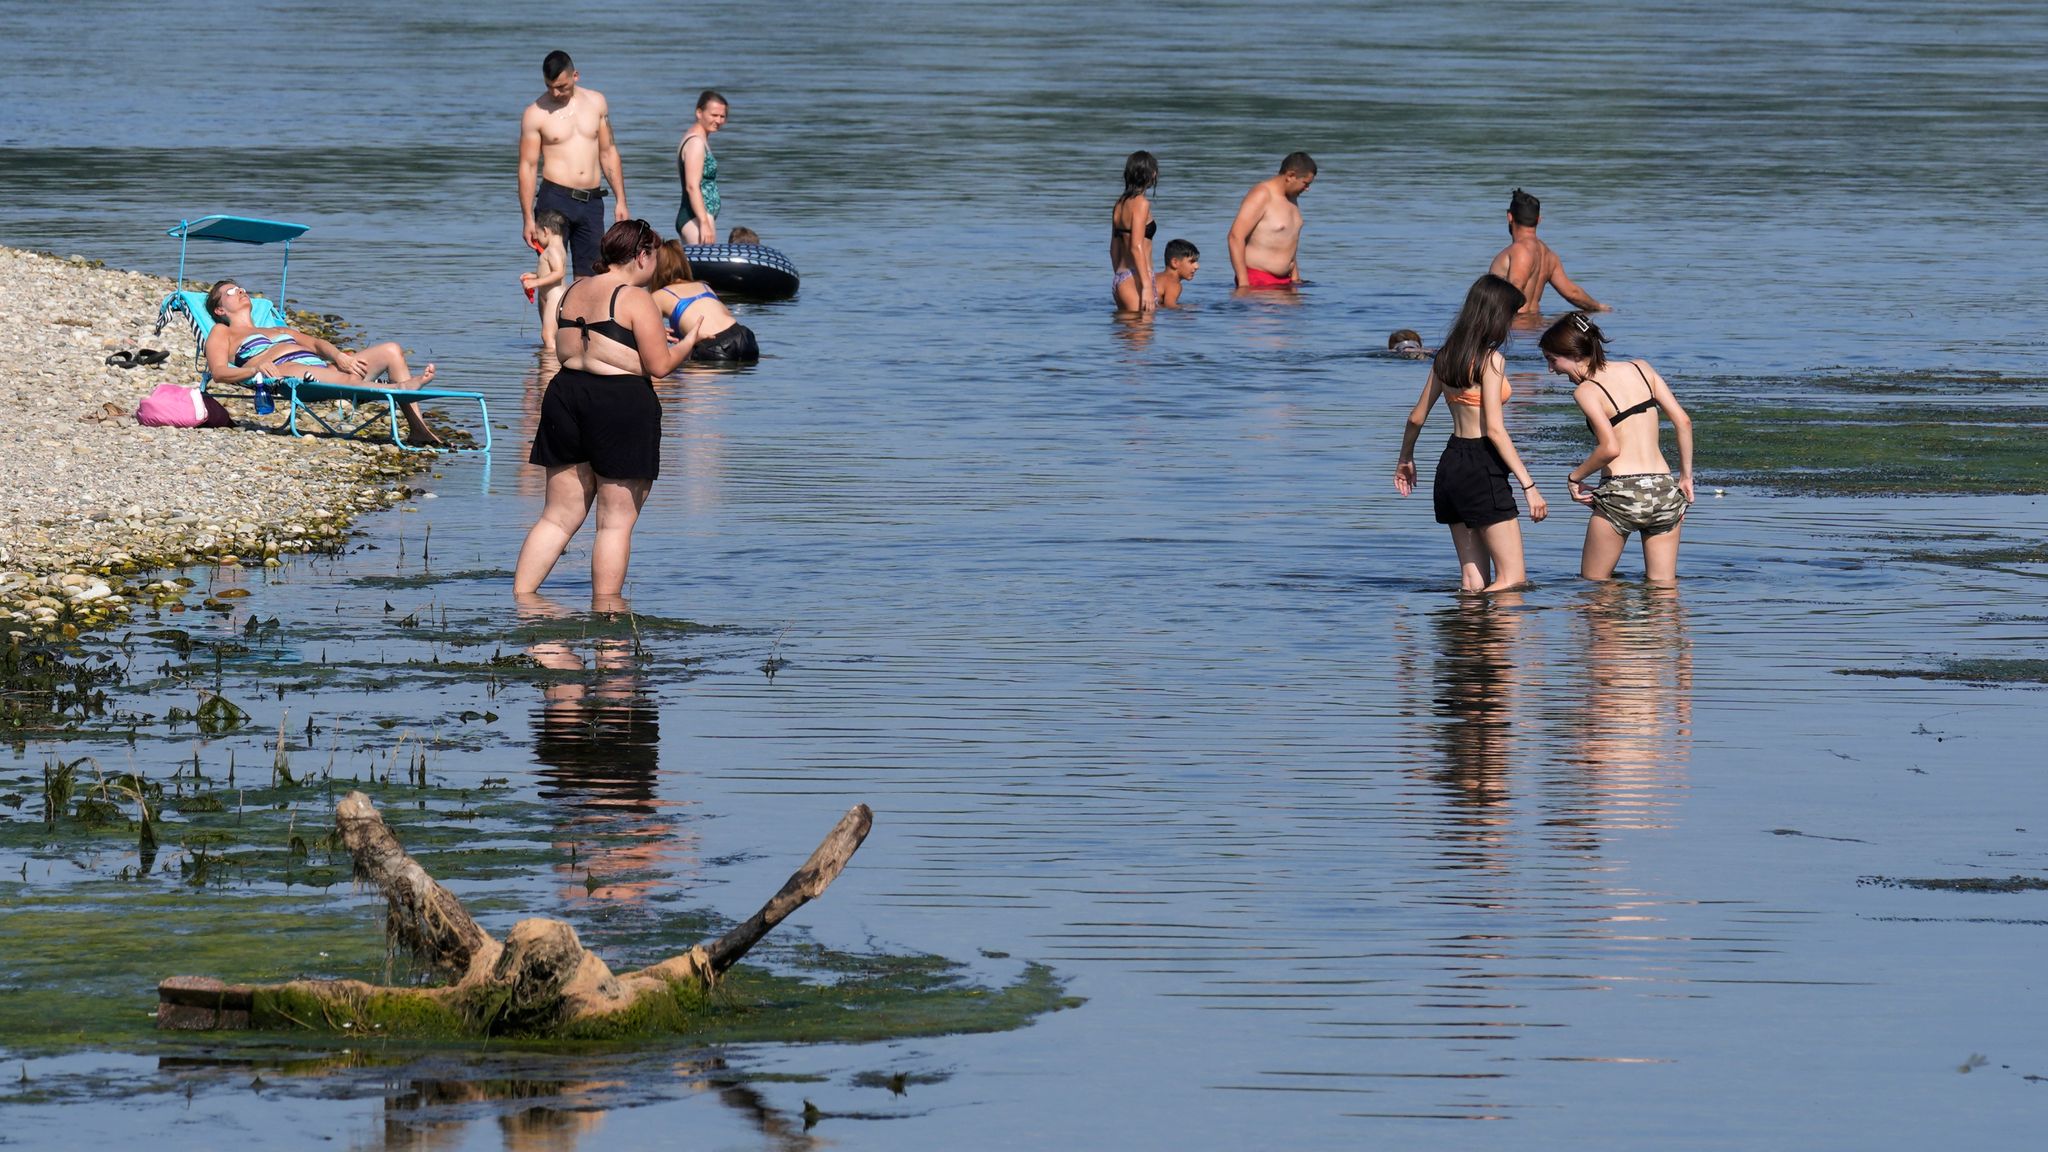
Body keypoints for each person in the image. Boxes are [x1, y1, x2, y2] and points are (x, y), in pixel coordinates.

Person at [514, 221, 693, 598]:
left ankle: (523, 600)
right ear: (642, 255)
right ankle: (607, 618)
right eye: (654, 259)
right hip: (619, 403)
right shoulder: (634, 297)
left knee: (557, 517)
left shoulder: (572, 290)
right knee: (614, 524)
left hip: (565, 394)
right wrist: (689, 341)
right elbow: (660, 365)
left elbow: (564, 348)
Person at [1394, 274, 1548, 592]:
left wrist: (1405, 459)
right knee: (1513, 581)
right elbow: (1494, 429)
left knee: (1472, 581)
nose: (1510, 325)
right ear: (1495, 315)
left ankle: (1466, 641)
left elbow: (1415, 417)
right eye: (1509, 315)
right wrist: (1529, 485)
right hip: (1482, 466)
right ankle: (1496, 643)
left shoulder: (1445, 356)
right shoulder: (1491, 360)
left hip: (1451, 466)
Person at [1540, 312, 1695, 581]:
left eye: (1553, 360)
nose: (1551, 369)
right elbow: (1683, 421)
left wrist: (1574, 478)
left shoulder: (1586, 391)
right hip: (1664, 490)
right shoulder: (1641, 368)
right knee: (1664, 591)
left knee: (1594, 586)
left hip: (1622, 493)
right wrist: (1686, 478)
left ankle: (1618, 624)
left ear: (1576, 354)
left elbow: (1610, 448)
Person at [200, 279, 443, 446]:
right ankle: (399, 389)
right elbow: (219, 372)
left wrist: (339, 356)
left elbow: (316, 344)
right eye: (232, 292)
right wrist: (254, 369)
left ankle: (419, 430)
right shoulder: (223, 333)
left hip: (321, 369)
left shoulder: (276, 328)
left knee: (391, 349)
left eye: (241, 288)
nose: (241, 291)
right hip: (288, 375)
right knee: (340, 378)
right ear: (220, 310)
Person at [520, 51, 630, 279]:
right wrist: (528, 218)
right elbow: (528, 167)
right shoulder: (535, 114)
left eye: (561, 86)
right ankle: (551, 316)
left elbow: (608, 151)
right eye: (550, 87)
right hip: (554, 200)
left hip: (591, 202)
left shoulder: (597, 103)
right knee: (551, 273)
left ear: (575, 76)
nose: (555, 93)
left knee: (591, 278)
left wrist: (621, 200)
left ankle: (581, 316)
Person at [1488, 188, 1605, 316]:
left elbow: (1515, 288)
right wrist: (1598, 307)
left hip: (1515, 329)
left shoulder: (1519, 250)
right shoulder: (1549, 255)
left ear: (1509, 217)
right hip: (1537, 327)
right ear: (1538, 220)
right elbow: (1573, 293)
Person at [651, 240, 759, 363]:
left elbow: (649, 338)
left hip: (713, 347)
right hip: (744, 336)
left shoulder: (658, 296)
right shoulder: (704, 287)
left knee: (668, 377)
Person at [1227, 152, 1315, 289]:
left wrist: (1296, 278)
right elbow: (1235, 237)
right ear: (1290, 176)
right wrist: (1244, 284)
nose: (1307, 189)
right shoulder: (1262, 194)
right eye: (1305, 183)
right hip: (1258, 282)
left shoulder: (1291, 197)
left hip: (1286, 282)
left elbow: (1288, 240)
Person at [676, 90, 729, 245]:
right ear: (699, 113)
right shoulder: (696, 143)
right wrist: (704, 223)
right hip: (694, 218)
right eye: (714, 115)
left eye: (722, 116)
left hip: (700, 216)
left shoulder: (700, 139)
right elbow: (692, 186)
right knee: (706, 267)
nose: (718, 120)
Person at [1110, 150, 1158, 312]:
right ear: (1152, 174)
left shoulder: (1119, 203)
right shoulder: (1141, 203)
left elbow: (1113, 248)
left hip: (1121, 277)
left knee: (1124, 336)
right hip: (1137, 280)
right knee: (1143, 335)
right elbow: (1135, 246)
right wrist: (1146, 287)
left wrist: (1120, 279)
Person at [522, 209, 570, 356]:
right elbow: (550, 272)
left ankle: (550, 366)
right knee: (552, 334)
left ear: (546, 231)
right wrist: (534, 276)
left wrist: (535, 283)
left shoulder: (552, 250)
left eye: (537, 234)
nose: (537, 239)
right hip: (553, 295)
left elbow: (559, 273)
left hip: (554, 297)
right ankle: (551, 362)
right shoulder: (557, 248)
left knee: (548, 336)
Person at [1156, 238, 1199, 308]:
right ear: (1175, 262)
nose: (1197, 266)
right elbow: (1170, 307)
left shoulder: (1156, 277)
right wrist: (1185, 311)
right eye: (1191, 261)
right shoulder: (1174, 284)